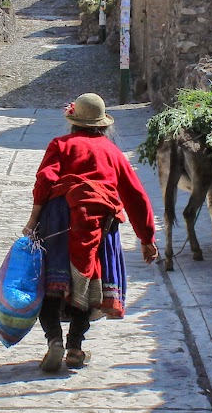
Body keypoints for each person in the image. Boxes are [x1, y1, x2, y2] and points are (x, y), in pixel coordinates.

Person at [21, 93, 159, 373]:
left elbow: (45, 180)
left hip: (59, 217)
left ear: (73, 121)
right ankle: (75, 347)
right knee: (89, 281)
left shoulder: (61, 144)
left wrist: (33, 219)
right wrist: (147, 238)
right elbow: (135, 196)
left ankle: (54, 340)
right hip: (100, 223)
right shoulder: (112, 152)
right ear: (103, 124)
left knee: (51, 283)